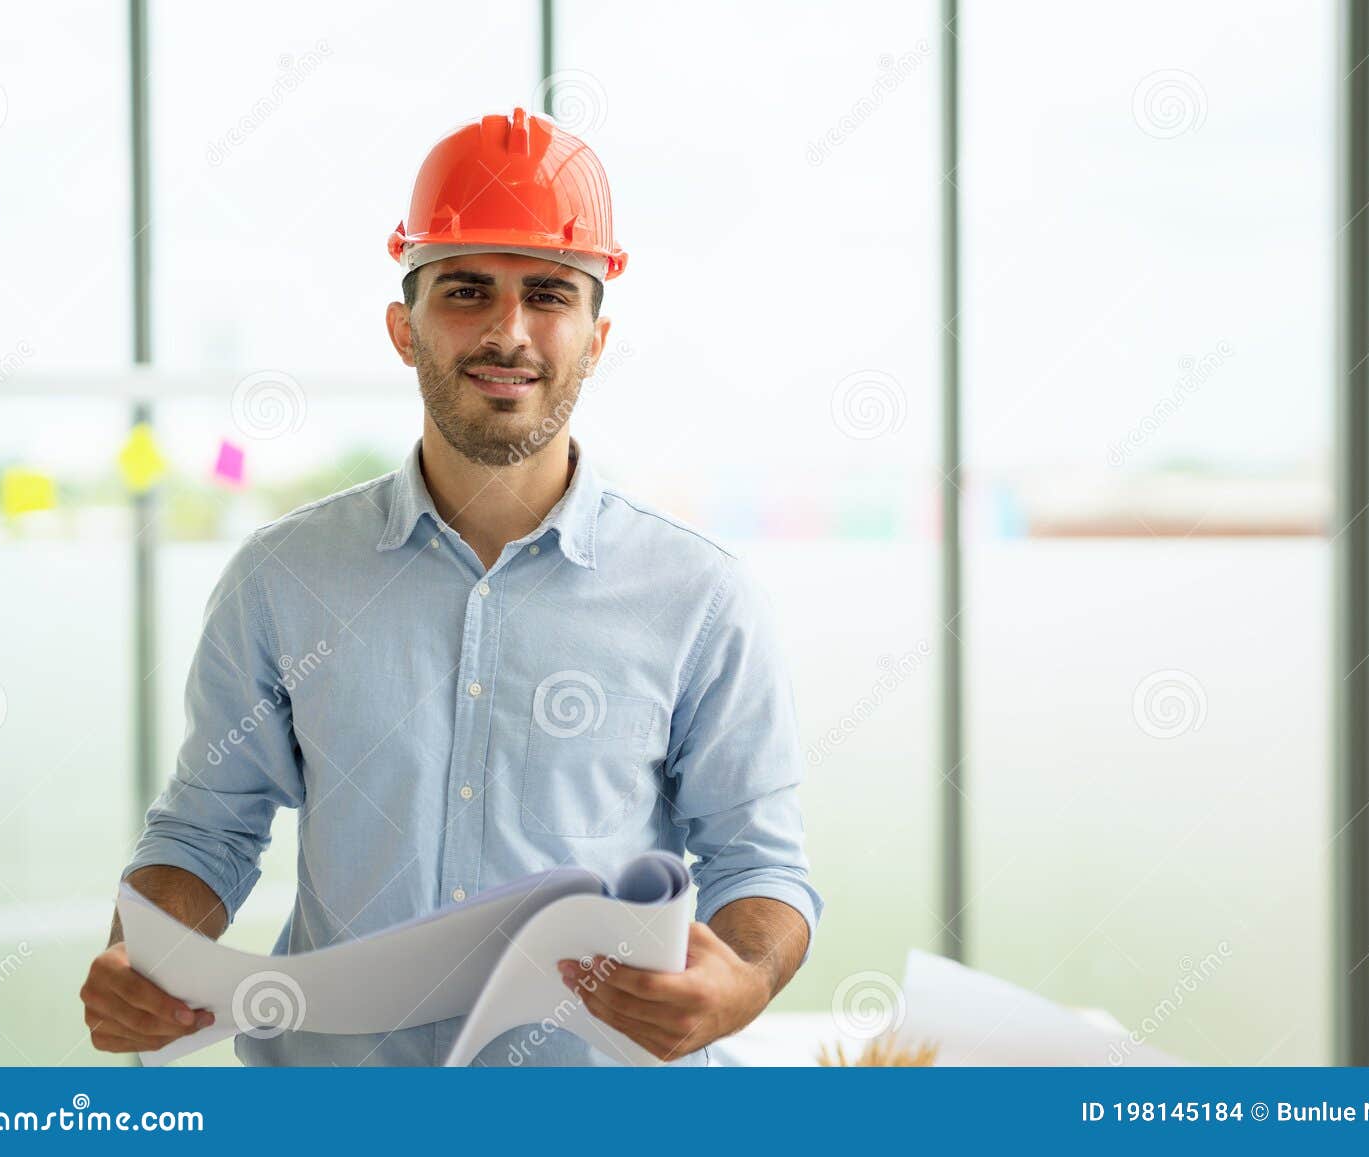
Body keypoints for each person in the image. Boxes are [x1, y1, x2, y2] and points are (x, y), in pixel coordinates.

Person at [77, 108, 822, 1066]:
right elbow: (207, 829)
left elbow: (759, 862)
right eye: (467, 291)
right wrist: (139, 956)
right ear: (404, 328)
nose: (509, 332)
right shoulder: (281, 579)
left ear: (596, 337)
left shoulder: (700, 597)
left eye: (549, 293)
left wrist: (744, 983)